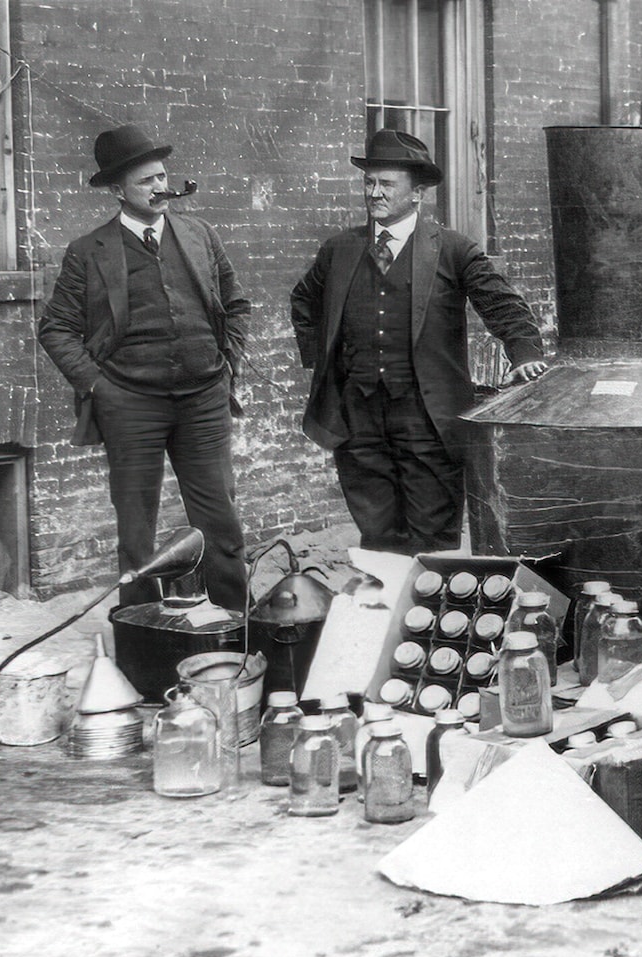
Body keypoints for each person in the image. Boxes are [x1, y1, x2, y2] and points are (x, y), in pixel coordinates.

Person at [291, 129, 546, 553]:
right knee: (377, 534)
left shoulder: (453, 249)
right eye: (369, 183)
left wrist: (524, 353)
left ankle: (431, 612)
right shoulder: (339, 250)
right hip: (358, 419)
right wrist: (324, 362)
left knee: (433, 536)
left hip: (427, 415)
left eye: (386, 184)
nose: (374, 193)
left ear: (418, 193)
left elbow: (503, 305)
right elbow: (304, 300)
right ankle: (387, 608)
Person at [38, 124, 250, 611]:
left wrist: (225, 365)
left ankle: (237, 628)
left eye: (162, 176)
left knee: (220, 523)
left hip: (203, 400)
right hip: (131, 407)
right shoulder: (88, 252)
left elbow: (237, 304)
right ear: (116, 191)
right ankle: (140, 635)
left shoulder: (199, 235)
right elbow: (56, 329)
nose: (160, 188)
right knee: (136, 534)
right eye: (145, 182)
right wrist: (99, 388)